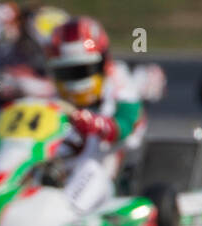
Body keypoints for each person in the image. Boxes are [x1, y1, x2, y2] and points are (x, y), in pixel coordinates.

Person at [44, 16, 144, 212]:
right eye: (67, 72)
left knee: (91, 170)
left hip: (107, 174)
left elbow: (125, 126)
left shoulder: (121, 87)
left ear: (102, 64)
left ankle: (64, 213)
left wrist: (98, 125)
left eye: (82, 70)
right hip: (59, 170)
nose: (75, 80)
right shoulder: (53, 99)